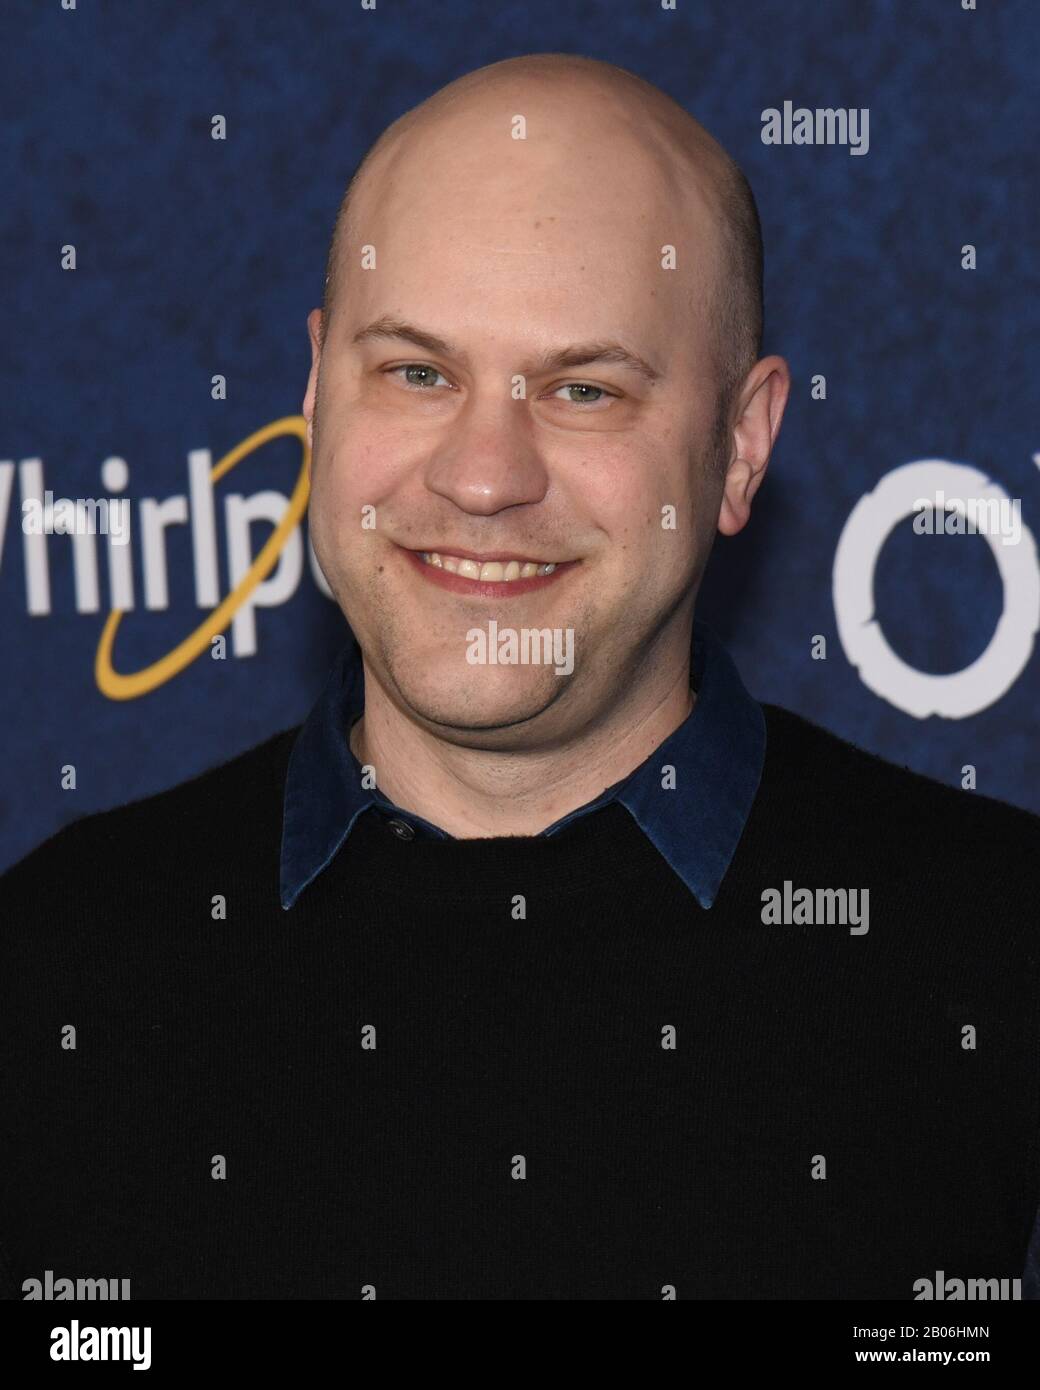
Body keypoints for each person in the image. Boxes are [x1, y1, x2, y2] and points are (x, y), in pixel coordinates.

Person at [2, 53, 1037, 1302]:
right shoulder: (60, 968)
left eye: (582, 389)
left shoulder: (993, 956)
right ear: (316, 390)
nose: (483, 476)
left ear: (740, 446)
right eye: (418, 373)